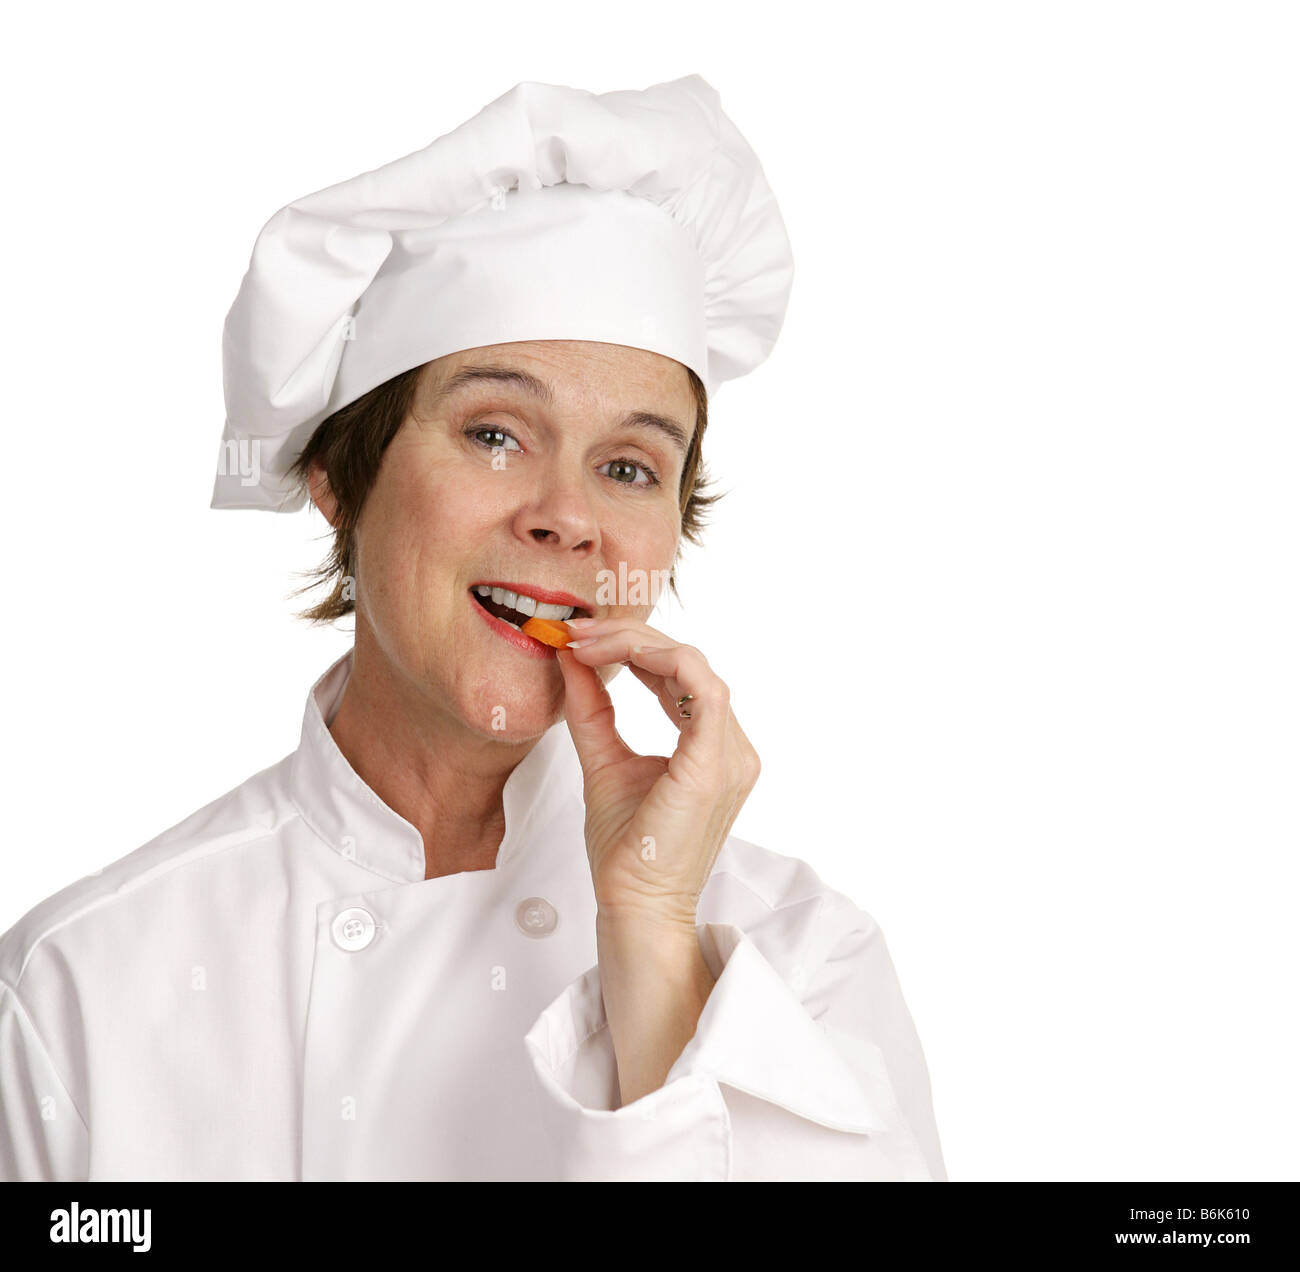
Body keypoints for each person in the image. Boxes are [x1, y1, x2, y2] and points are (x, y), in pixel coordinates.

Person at [0, 75, 946, 1181]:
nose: (569, 517)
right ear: (337, 480)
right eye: (495, 433)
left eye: (630, 466)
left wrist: (647, 928)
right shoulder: (78, 995)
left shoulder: (799, 959)